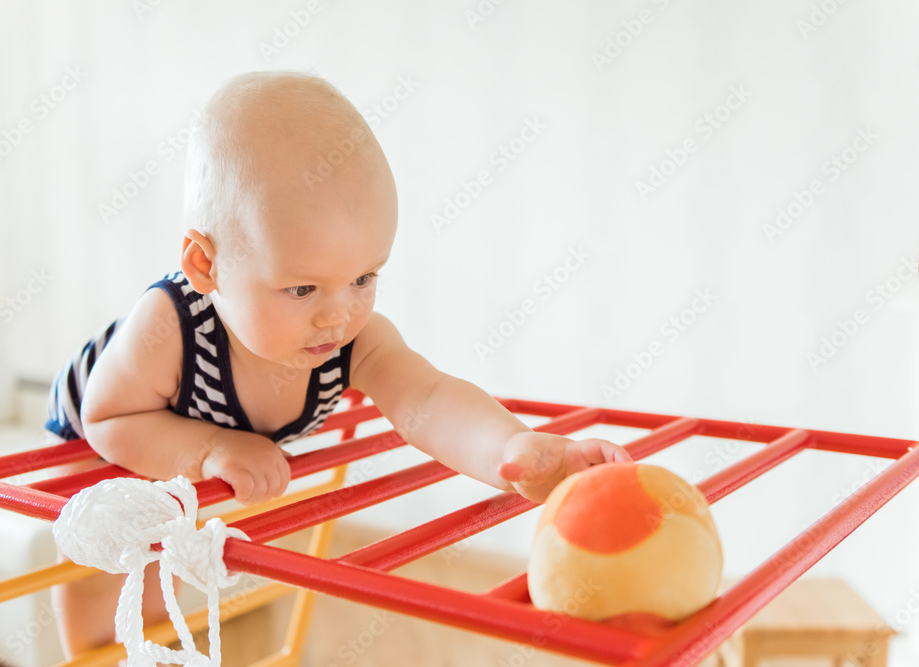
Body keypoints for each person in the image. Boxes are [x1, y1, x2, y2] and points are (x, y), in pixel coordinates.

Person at [44, 70, 631, 657]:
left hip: (188, 429)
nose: (338, 316)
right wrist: (209, 451)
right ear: (206, 267)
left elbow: (426, 401)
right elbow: (109, 418)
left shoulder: (352, 337)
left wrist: (515, 450)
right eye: (302, 290)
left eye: (363, 278)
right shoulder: (169, 325)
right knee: (102, 565)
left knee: (157, 572)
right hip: (113, 423)